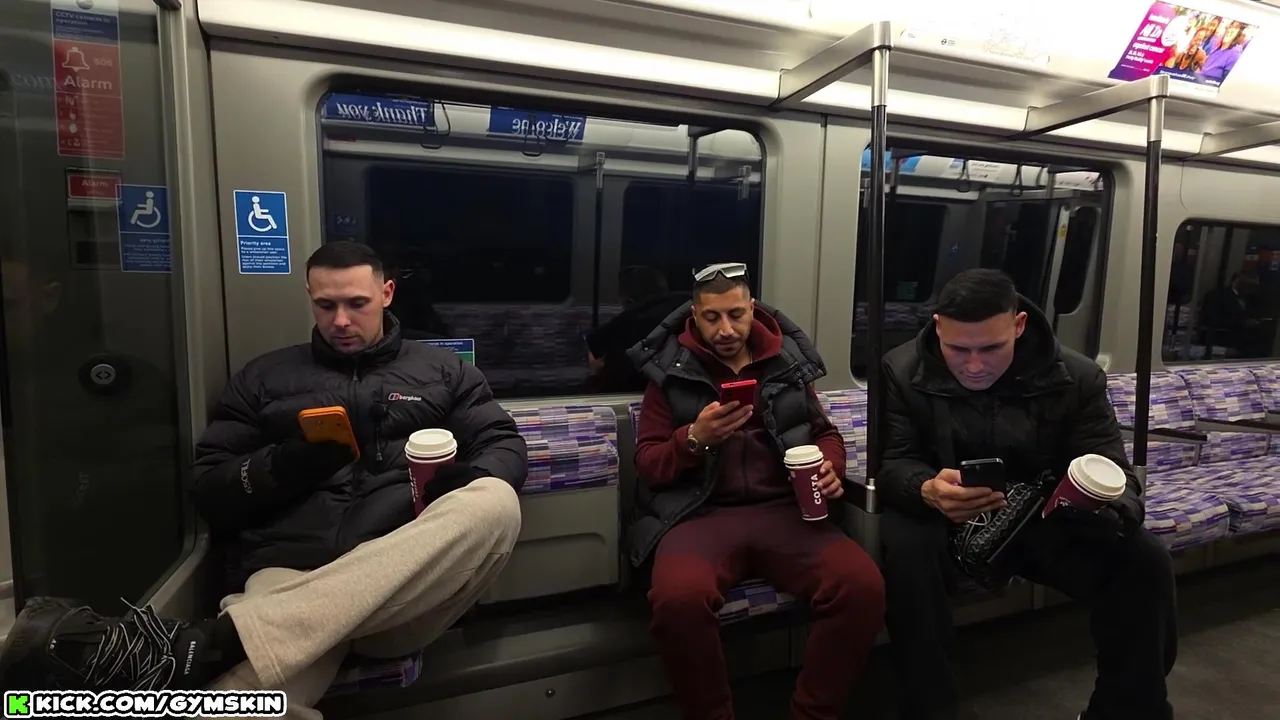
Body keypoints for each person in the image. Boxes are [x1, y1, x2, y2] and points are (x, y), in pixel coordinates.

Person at [0, 241, 527, 717]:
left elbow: (502, 441)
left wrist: (464, 478)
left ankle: (213, 643)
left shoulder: (444, 371)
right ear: (309, 299)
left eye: (357, 303)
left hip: (402, 583)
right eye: (326, 305)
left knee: (494, 500)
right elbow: (211, 491)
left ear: (386, 294)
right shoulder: (263, 378)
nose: (341, 320)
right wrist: (282, 465)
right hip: (288, 575)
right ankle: (229, 645)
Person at [877, 268, 1177, 720]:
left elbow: (1110, 465)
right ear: (937, 327)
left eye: (990, 348)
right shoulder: (901, 371)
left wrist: (1108, 506)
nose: (973, 366)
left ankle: (1128, 709)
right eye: (958, 349)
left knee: (1144, 558)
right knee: (907, 550)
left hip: (1039, 515)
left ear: (1018, 325)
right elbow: (895, 461)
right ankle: (930, 707)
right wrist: (925, 488)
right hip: (945, 514)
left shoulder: (1077, 377)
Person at [627, 262, 885, 720]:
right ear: (694, 315)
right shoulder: (668, 373)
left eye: (736, 314)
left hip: (785, 511)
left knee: (862, 587)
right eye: (712, 318)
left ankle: (812, 713)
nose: (726, 329)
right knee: (678, 601)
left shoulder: (786, 363)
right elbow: (648, 464)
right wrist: (694, 440)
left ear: (752, 308)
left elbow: (825, 434)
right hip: (700, 513)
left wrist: (831, 466)